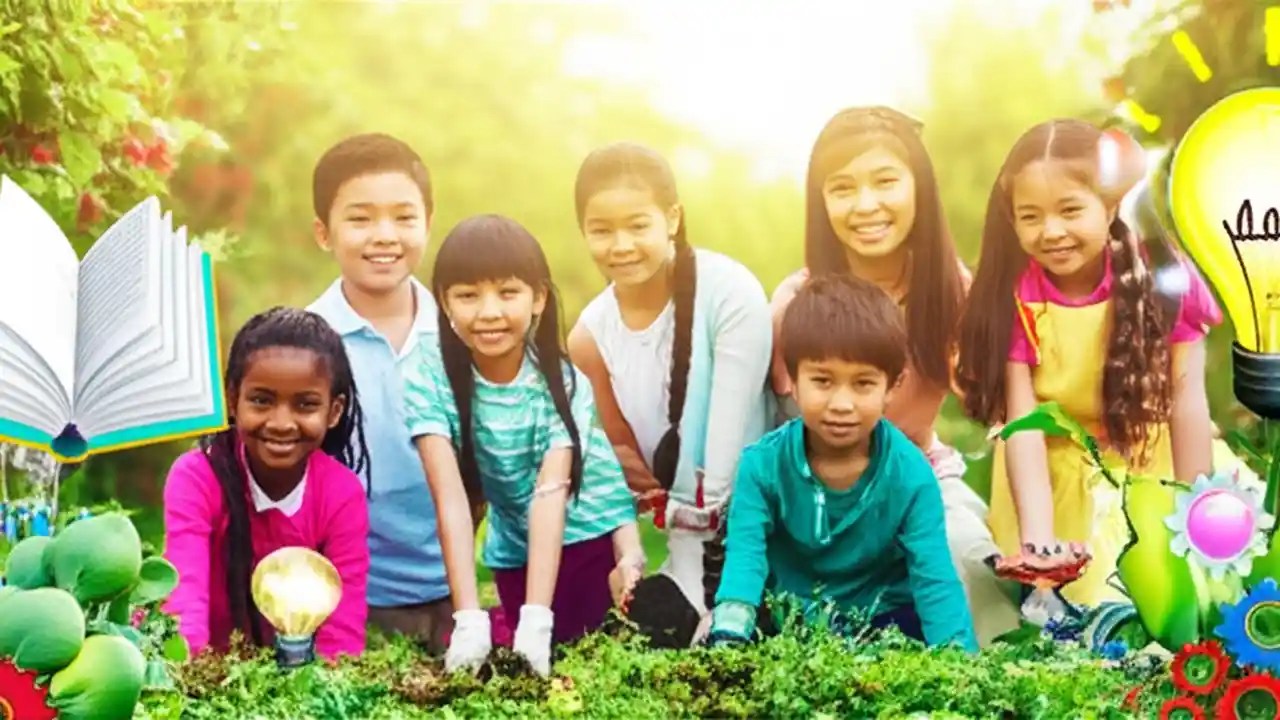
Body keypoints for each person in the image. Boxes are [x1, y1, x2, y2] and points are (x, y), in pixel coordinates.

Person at [768, 106, 1017, 644]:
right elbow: (773, 431)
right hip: (820, 497)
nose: (866, 206)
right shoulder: (797, 301)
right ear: (821, 201)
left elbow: (999, 406)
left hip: (920, 479)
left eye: (885, 182)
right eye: (842, 188)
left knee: (970, 563)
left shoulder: (952, 289)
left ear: (918, 189)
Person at [953, 119, 1222, 607]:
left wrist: (1197, 508)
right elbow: (1024, 425)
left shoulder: (1164, 280)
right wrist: (1041, 545)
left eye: (1070, 210)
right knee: (1097, 599)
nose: (1051, 232)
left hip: (1151, 461)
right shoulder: (1017, 300)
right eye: (1030, 216)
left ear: (1111, 204)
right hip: (1055, 481)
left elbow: (1187, 402)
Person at [405, 215, 645, 677]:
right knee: (497, 661)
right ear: (444, 301)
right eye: (468, 295)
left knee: (577, 660)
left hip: (584, 536)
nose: (489, 311)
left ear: (538, 298)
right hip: (514, 545)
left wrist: (537, 621)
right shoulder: (427, 373)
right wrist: (467, 617)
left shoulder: (560, 382)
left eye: (507, 292)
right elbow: (450, 497)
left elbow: (551, 497)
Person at [567, 141, 774, 648]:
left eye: (638, 225)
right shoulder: (589, 336)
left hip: (760, 528)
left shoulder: (730, 293)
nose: (621, 245)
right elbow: (627, 468)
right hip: (682, 547)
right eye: (601, 230)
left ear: (672, 218)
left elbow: (727, 465)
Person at [706, 275, 978, 652]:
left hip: (887, 621)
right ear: (793, 379)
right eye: (823, 380)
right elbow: (745, 557)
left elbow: (934, 578)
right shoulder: (761, 467)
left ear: (893, 386)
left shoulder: (911, 474)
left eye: (863, 384)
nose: (841, 404)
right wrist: (729, 635)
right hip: (794, 622)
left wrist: (961, 665)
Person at [306, 133, 455, 653]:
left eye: (404, 217)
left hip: (457, 594)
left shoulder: (462, 331)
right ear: (324, 233)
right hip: (347, 600)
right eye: (361, 218)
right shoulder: (303, 345)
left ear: (428, 224)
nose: (384, 235)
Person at [163, 307, 371, 660]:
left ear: (334, 411)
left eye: (305, 405)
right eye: (261, 400)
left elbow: (343, 629)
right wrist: (189, 674)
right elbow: (185, 599)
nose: (281, 423)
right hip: (210, 673)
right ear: (232, 399)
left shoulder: (341, 494)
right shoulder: (197, 477)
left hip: (298, 680)